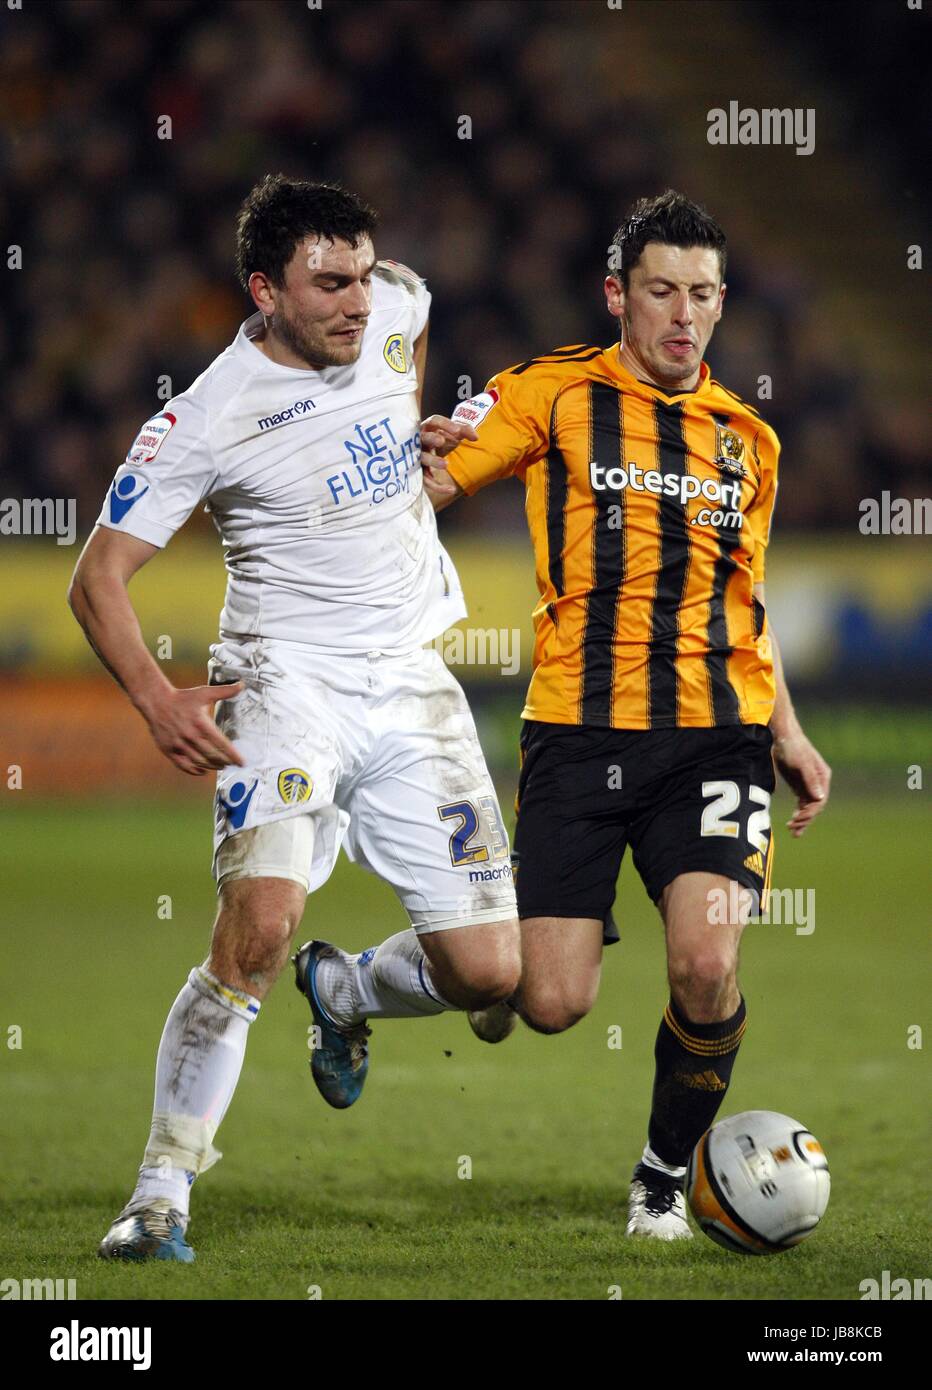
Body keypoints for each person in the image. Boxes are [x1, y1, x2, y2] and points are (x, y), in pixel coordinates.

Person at [69, 174, 519, 1263]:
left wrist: (455, 432)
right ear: (264, 289)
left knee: (492, 977)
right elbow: (98, 577)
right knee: (257, 928)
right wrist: (154, 696)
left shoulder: (398, 311)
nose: (356, 302)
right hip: (284, 682)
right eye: (328, 283)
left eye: (362, 273)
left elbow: (425, 366)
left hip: (411, 680)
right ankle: (159, 1193)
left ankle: (349, 988)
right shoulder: (206, 414)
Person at [429, 190, 832, 1240]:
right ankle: (451, 964)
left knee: (705, 963)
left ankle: (662, 1173)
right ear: (617, 294)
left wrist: (785, 731)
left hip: (717, 738)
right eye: (660, 290)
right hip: (578, 731)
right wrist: (423, 452)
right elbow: (438, 480)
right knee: (549, 1001)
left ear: (721, 301)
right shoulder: (549, 392)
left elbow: (742, 601)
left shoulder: (748, 439)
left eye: (700, 294)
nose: (681, 315)